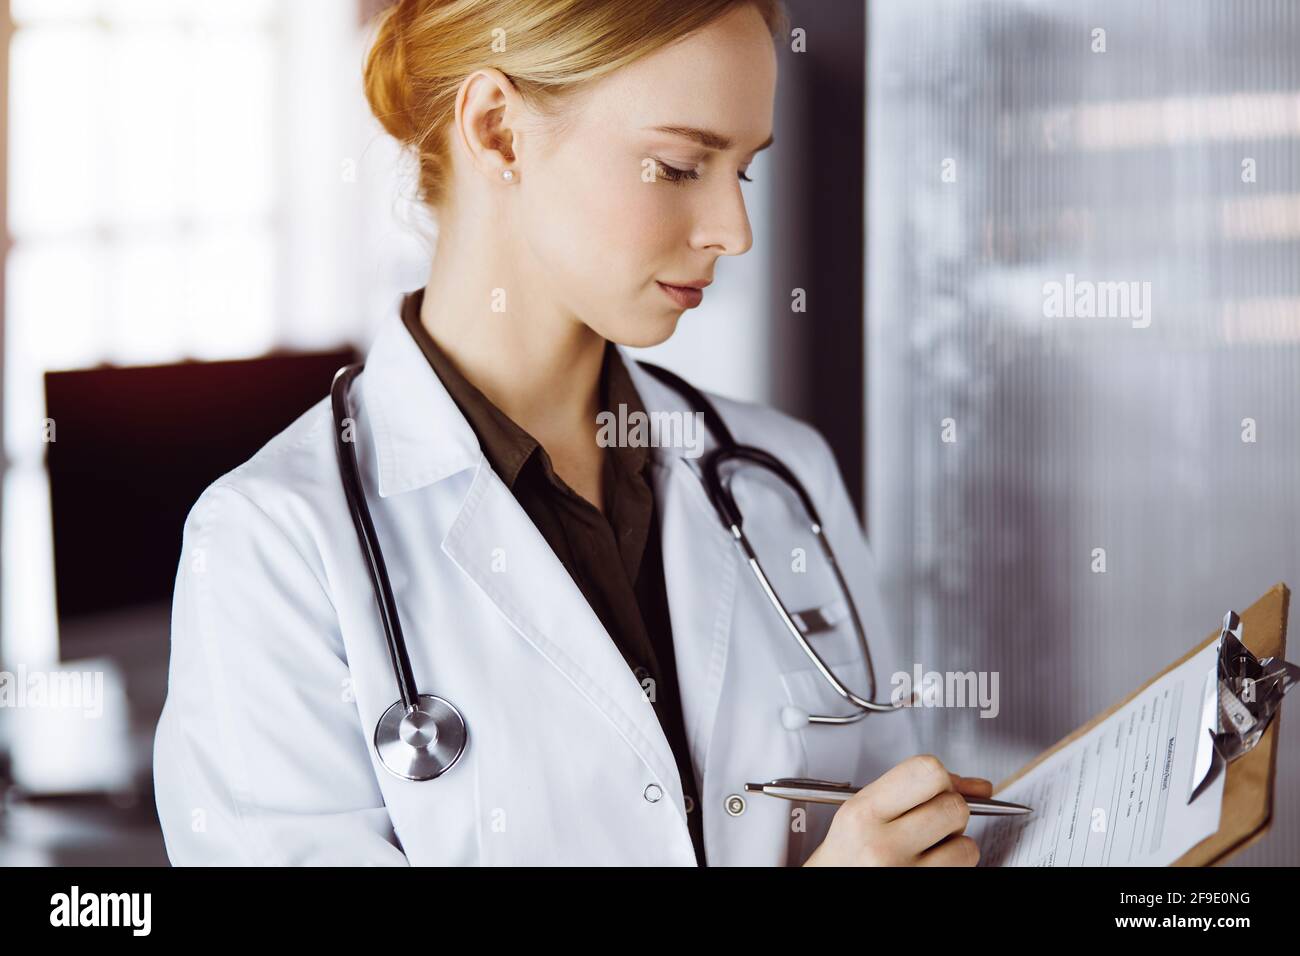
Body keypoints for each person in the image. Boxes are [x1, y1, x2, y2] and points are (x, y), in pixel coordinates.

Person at [153, 0, 990, 866]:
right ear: (498, 132)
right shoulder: (270, 547)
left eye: (740, 172)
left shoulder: (780, 473)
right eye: (677, 166)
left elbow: (898, 811)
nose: (733, 233)